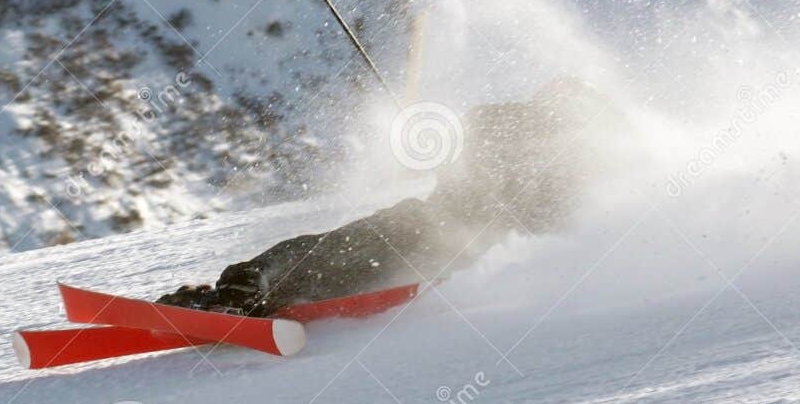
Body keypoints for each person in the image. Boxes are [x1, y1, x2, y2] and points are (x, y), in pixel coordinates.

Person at [159, 77, 614, 315]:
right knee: (342, 246)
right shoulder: (504, 123)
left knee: (351, 259)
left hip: (469, 248)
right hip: (435, 221)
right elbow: (466, 150)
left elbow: (569, 225)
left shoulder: (596, 165)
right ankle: (239, 287)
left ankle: (250, 291)